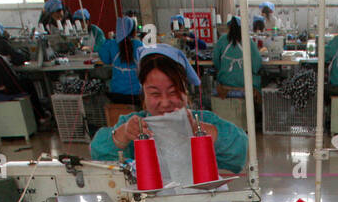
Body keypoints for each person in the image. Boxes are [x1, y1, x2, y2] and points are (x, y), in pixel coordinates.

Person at [90, 44, 247, 174]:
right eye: (155, 94)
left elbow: (239, 152)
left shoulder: (203, 120)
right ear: (143, 93)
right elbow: (99, 156)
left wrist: (200, 131)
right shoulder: (135, 127)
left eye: (173, 92)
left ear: (186, 91)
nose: (165, 103)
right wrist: (123, 134)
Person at [99, 15, 143, 106]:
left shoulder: (111, 44)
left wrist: (111, 39)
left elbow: (106, 60)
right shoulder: (138, 45)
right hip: (136, 96)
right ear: (133, 31)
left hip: (117, 96)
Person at [213, 16, 262, 98]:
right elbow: (256, 65)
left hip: (225, 83)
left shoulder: (222, 40)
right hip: (245, 84)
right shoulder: (248, 41)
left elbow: (216, 62)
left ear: (229, 27)